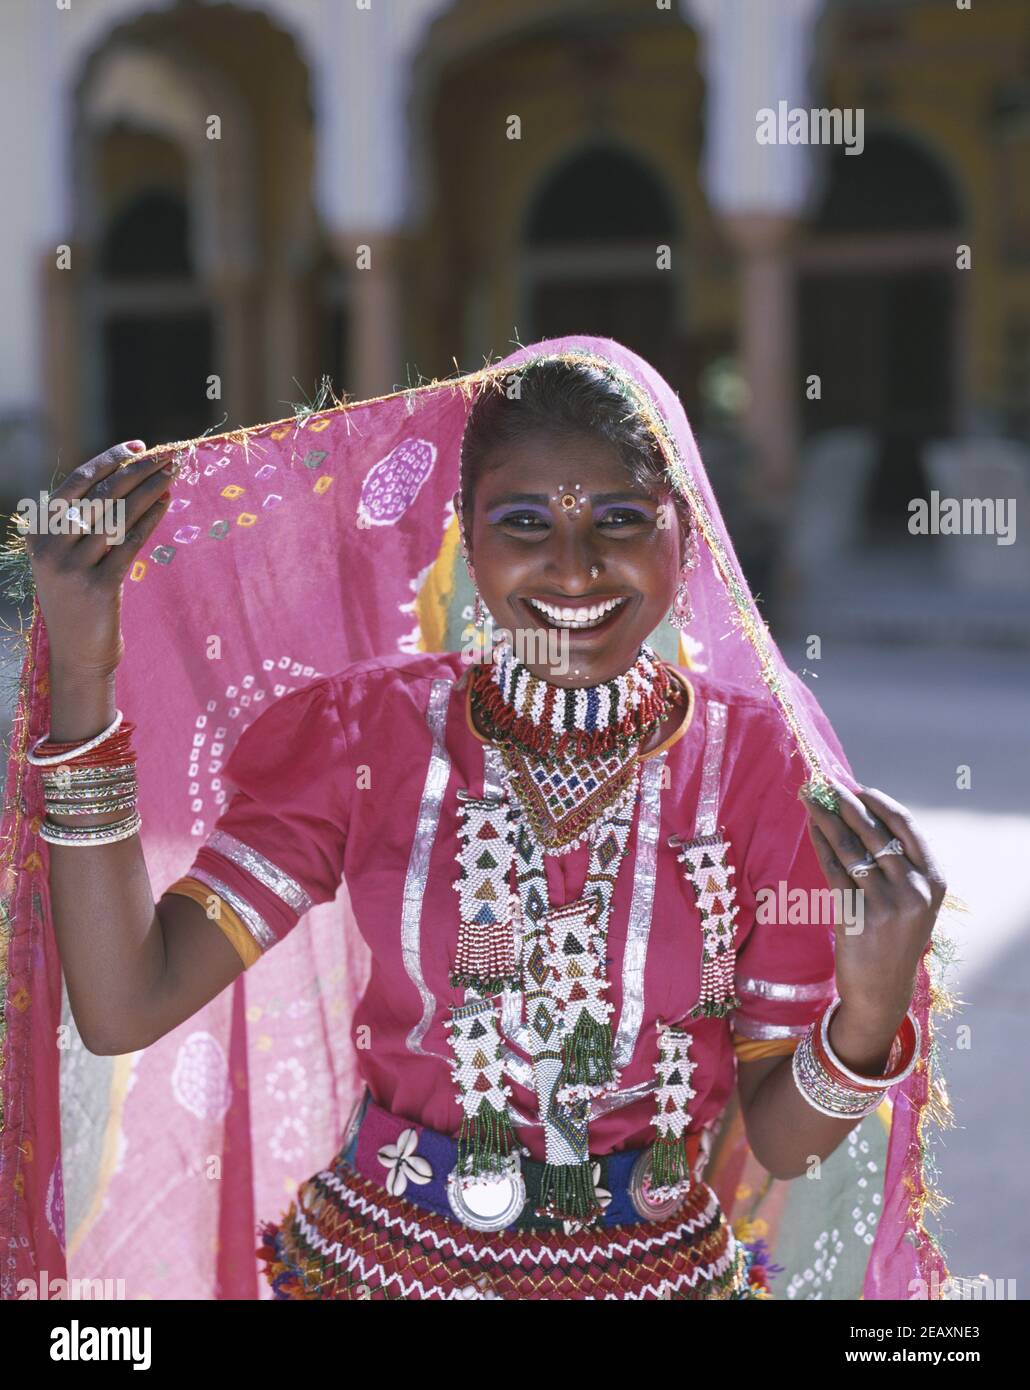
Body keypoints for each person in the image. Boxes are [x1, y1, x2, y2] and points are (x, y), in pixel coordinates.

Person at [2, 336, 955, 1301]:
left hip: (662, 1278)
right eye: (524, 522)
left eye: (620, 519)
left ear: (686, 532)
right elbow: (127, 1003)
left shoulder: (759, 772)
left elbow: (782, 1143)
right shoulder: (367, 737)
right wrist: (83, 675)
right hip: (376, 1273)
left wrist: (868, 1018)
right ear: (466, 530)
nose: (574, 569)